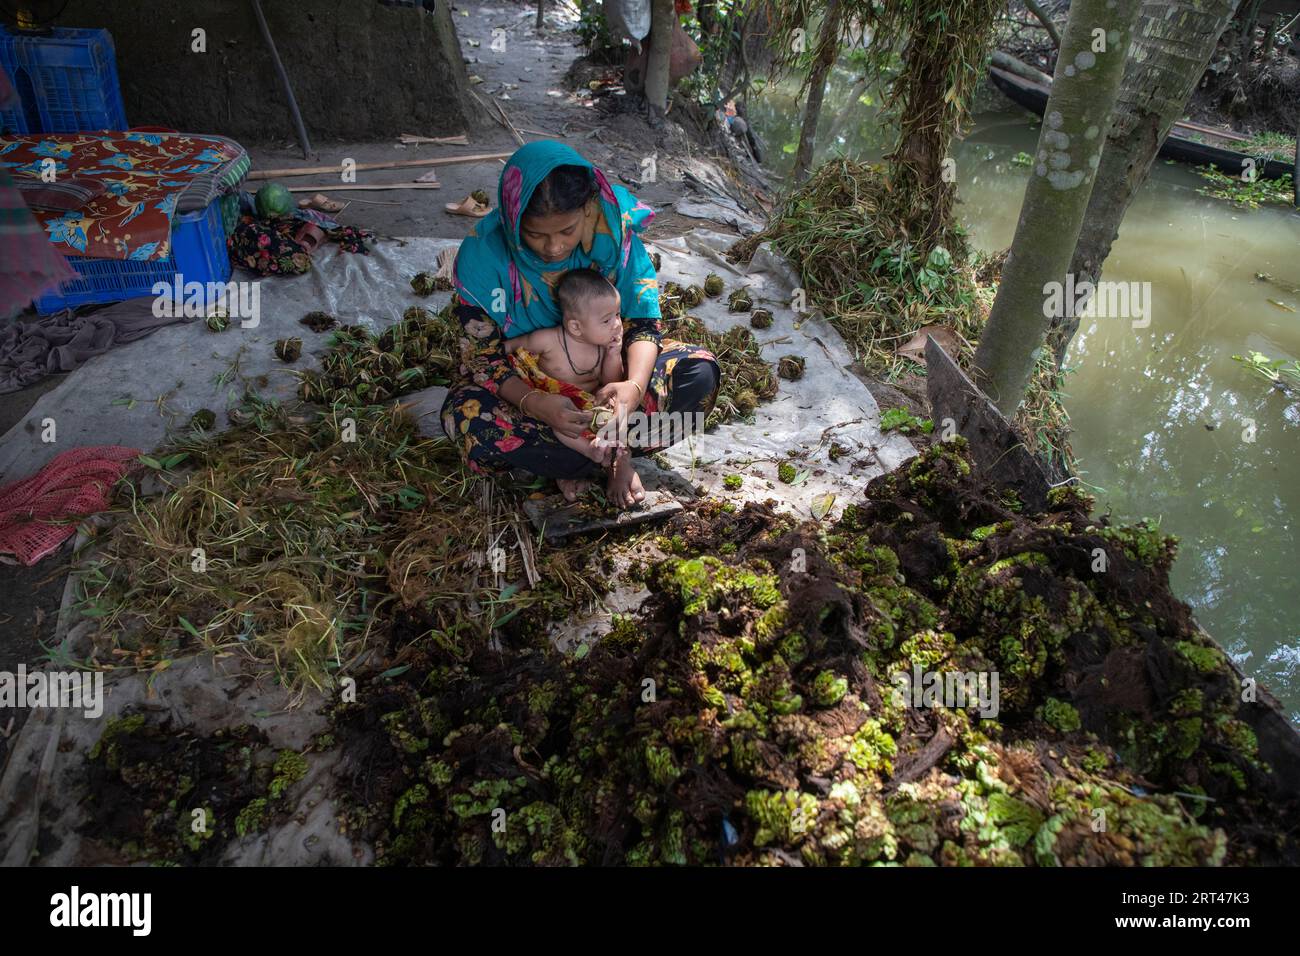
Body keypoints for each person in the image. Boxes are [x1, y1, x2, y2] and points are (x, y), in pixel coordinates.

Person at [441, 141, 719, 509]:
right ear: (512, 219)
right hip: (530, 396)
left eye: (567, 231)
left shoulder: (612, 233)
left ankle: (592, 456)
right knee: (468, 419)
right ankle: (600, 456)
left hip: (610, 386)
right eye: (537, 234)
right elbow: (483, 361)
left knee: (698, 373)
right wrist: (535, 402)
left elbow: (642, 326)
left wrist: (633, 389)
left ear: (587, 211)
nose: (554, 248)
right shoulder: (483, 257)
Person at [503, 267, 626, 466]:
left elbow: (611, 383)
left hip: (589, 406)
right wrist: (491, 355)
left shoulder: (605, 345)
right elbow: (512, 346)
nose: (617, 325)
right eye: (606, 320)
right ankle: (590, 450)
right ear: (576, 327)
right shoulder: (548, 340)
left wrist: (614, 354)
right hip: (557, 411)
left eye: (618, 315)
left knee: (617, 415)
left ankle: (614, 454)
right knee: (560, 427)